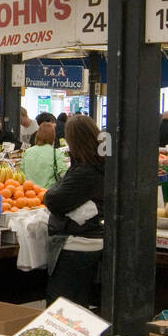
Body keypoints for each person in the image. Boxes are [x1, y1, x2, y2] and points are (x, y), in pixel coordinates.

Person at [43, 114, 104, 308]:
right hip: (93, 242)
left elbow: (53, 199)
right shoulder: (100, 164)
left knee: (60, 307)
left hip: (76, 245)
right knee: (80, 304)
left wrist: (50, 194)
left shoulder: (85, 171)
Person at [20, 121, 66, 189]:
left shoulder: (27, 151)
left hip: (30, 192)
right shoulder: (56, 153)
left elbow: (22, 173)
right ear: (53, 136)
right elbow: (64, 174)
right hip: (48, 193)